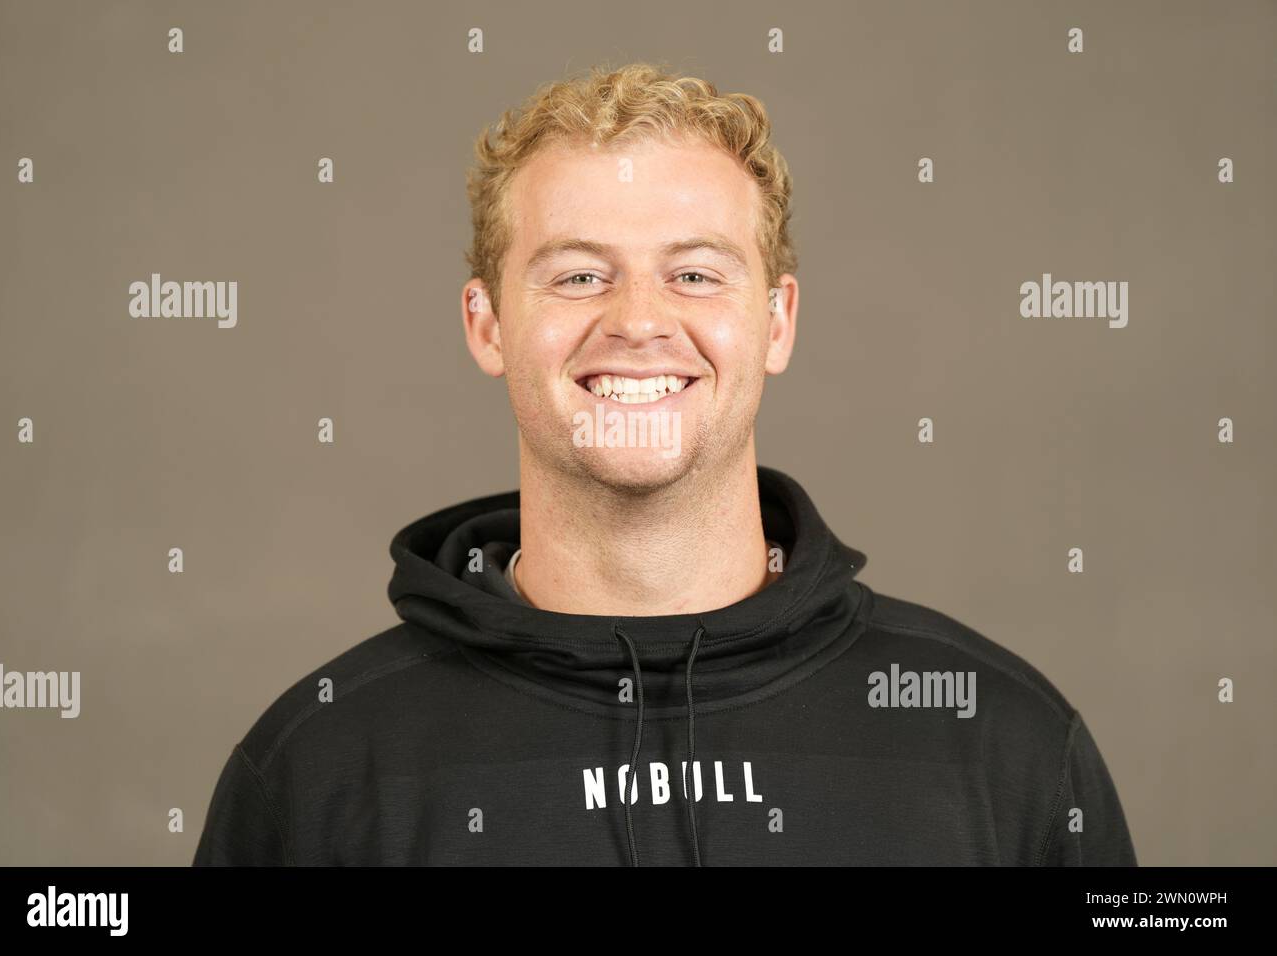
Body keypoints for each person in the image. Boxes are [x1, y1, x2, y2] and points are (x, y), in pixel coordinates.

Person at [193, 62, 1136, 866]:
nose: (638, 320)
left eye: (693, 273)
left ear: (777, 322)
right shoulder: (317, 766)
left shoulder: (998, 739)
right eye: (577, 275)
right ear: (486, 324)